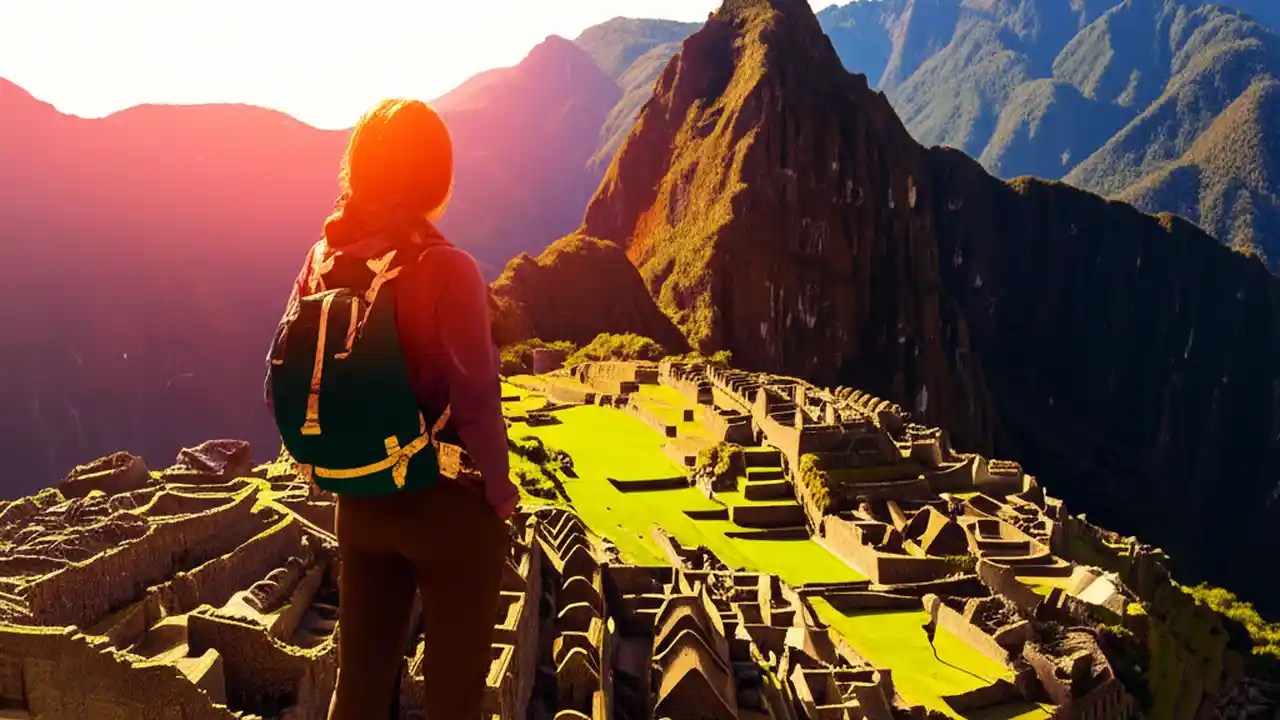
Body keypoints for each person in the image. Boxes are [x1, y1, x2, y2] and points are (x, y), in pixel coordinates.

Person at [269, 99, 519, 720]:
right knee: (454, 700)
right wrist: (499, 496)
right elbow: (478, 403)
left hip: (362, 502)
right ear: (436, 179)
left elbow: (285, 373)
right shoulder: (449, 270)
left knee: (357, 687)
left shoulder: (322, 260)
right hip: (448, 512)